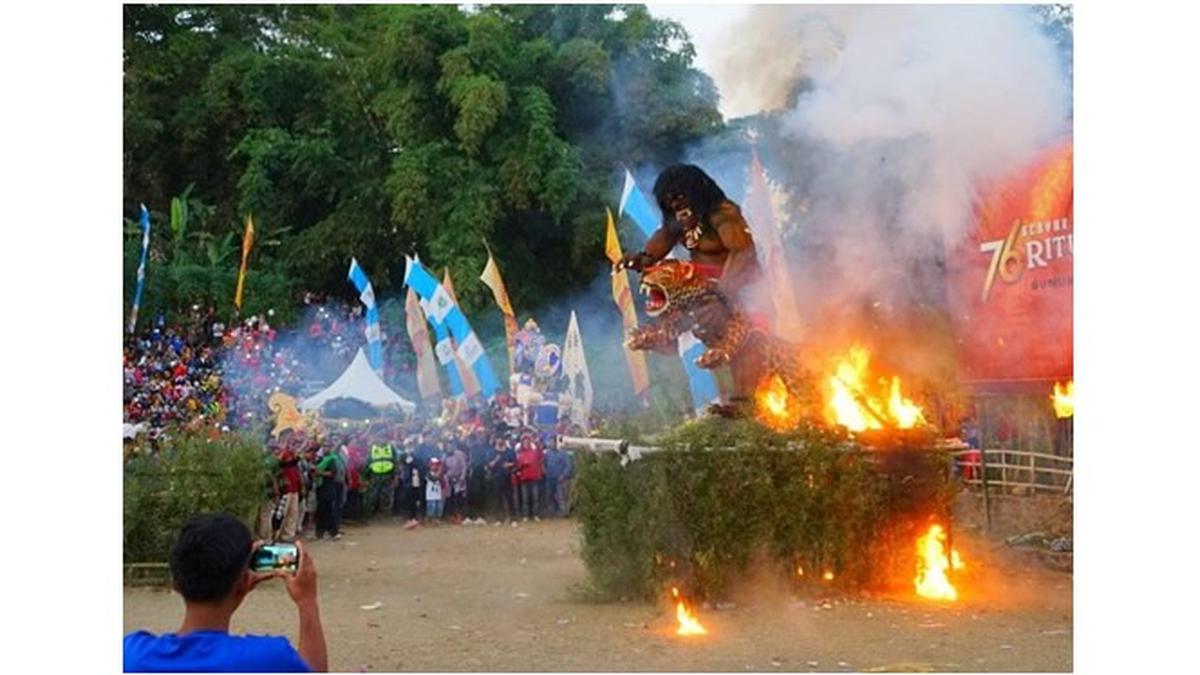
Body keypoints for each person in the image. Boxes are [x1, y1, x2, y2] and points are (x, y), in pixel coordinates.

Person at [615, 163, 765, 409]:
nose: (675, 204)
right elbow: (657, 246)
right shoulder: (679, 221)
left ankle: (743, 403)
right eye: (668, 200)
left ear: (696, 192)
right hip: (705, 291)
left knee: (745, 340)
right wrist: (640, 259)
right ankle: (664, 338)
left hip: (741, 289)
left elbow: (743, 253)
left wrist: (722, 297)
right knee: (676, 314)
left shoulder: (723, 214)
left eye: (680, 197)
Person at [123, 514, 328, 672]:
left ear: (175, 583)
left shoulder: (131, 655)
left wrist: (235, 585)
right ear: (241, 583)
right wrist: (307, 602)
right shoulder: (269, 659)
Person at [486, 435, 517, 523]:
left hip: (507, 477)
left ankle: (512, 518)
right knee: (497, 499)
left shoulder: (510, 451)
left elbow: (515, 463)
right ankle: (499, 518)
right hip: (496, 478)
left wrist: (509, 465)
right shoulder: (491, 452)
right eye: (498, 439)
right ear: (496, 440)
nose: (500, 440)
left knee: (510, 498)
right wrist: (496, 460)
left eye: (501, 439)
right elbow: (489, 465)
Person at [364, 438, 397, 518]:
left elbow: (395, 461)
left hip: (387, 475)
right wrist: (365, 476)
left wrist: (395, 475)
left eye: (383, 437)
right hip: (375, 475)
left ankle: (384, 515)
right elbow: (368, 462)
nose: (381, 439)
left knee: (386, 495)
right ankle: (371, 514)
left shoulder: (391, 448)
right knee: (373, 496)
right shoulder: (372, 448)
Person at [313, 448, 342, 540]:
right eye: (324, 446)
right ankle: (319, 533)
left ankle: (333, 532)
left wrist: (319, 473)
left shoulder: (332, 459)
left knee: (329, 510)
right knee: (320, 511)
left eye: (327, 446)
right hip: (320, 487)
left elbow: (331, 473)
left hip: (328, 487)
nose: (325, 448)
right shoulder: (319, 459)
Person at [514, 434, 544, 521]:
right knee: (525, 498)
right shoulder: (520, 454)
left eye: (527, 442)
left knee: (535, 497)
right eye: (524, 442)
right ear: (522, 443)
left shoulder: (535, 452)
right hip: (524, 478)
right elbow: (518, 465)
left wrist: (537, 442)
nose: (526, 443)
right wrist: (523, 464)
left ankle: (535, 514)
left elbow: (541, 455)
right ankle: (526, 515)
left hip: (534, 478)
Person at [442, 440, 469, 524]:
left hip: (459, 478)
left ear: (453, 447)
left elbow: (464, 466)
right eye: (447, 447)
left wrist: (462, 478)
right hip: (449, 479)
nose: (449, 448)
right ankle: (451, 516)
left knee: (459, 498)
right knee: (449, 498)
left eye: (450, 447)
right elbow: (442, 468)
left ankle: (460, 516)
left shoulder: (459, 454)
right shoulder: (444, 456)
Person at [425, 457, 448, 522]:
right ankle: (430, 519)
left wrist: (441, 475)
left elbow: (443, 484)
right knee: (432, 506)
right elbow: (434, 479)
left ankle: (437, 518)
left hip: (438, 494)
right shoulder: (428, 474)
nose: (436, 466)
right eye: (434, 465)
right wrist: (440, 472)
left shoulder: (441, 474)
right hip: (430, 495)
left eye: (437, 465)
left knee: (439, 507)